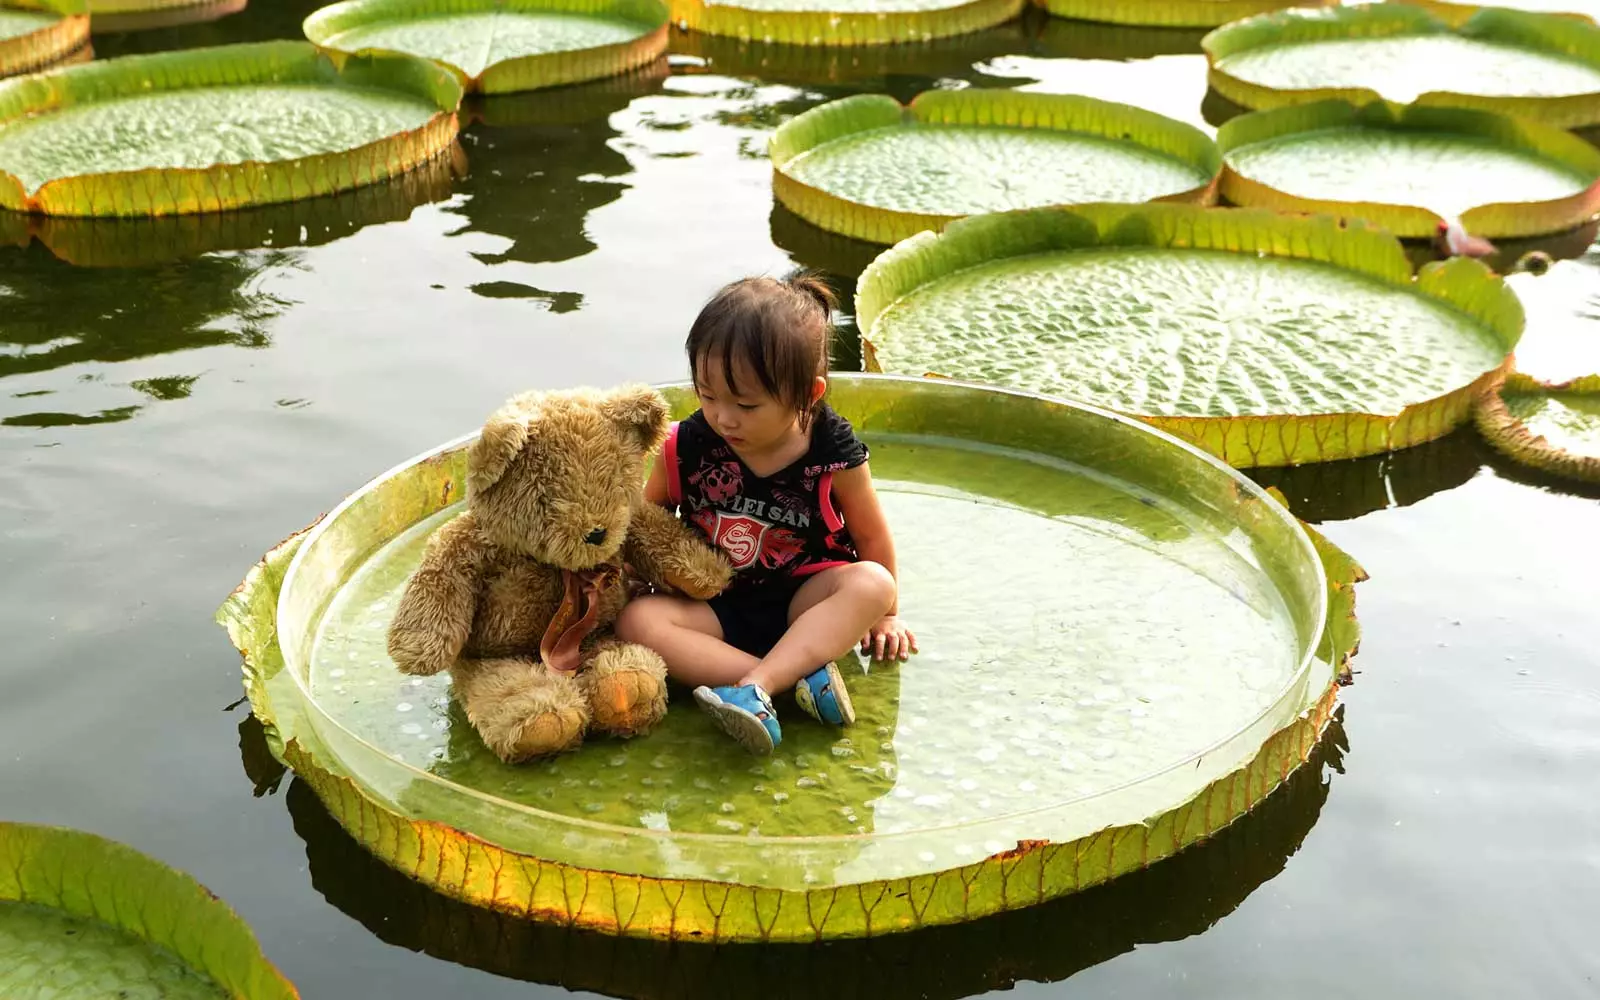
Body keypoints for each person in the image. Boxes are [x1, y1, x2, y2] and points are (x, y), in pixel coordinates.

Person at [616, 271, 916, 755]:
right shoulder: (687, 445)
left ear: (807, 396)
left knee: (875, 584)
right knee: (636, 621)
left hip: (807, 602)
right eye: (708, 396)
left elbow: (872, 540)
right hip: (718, 604)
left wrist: (888, 618)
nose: (724, 418)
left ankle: (758, 682)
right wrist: (629, 577)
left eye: (747, 404)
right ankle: (785, 680)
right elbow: (645, 525)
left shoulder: (831, 451)